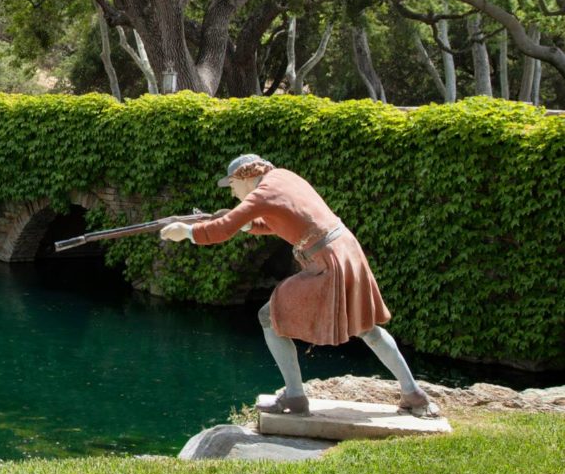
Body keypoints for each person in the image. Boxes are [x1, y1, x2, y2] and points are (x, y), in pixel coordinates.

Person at [159, 153, 439, 417]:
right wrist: (247, 225)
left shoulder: (262, 192)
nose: (232, 193)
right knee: (365, 326)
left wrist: (187, 232)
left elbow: (222, 229)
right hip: (344, 250)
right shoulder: (283, 177)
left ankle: (294, 396)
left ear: (244, 177)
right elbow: (279, 220)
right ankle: (413, 393)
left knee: (269, 316)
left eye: (231, 185)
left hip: (326, 260)